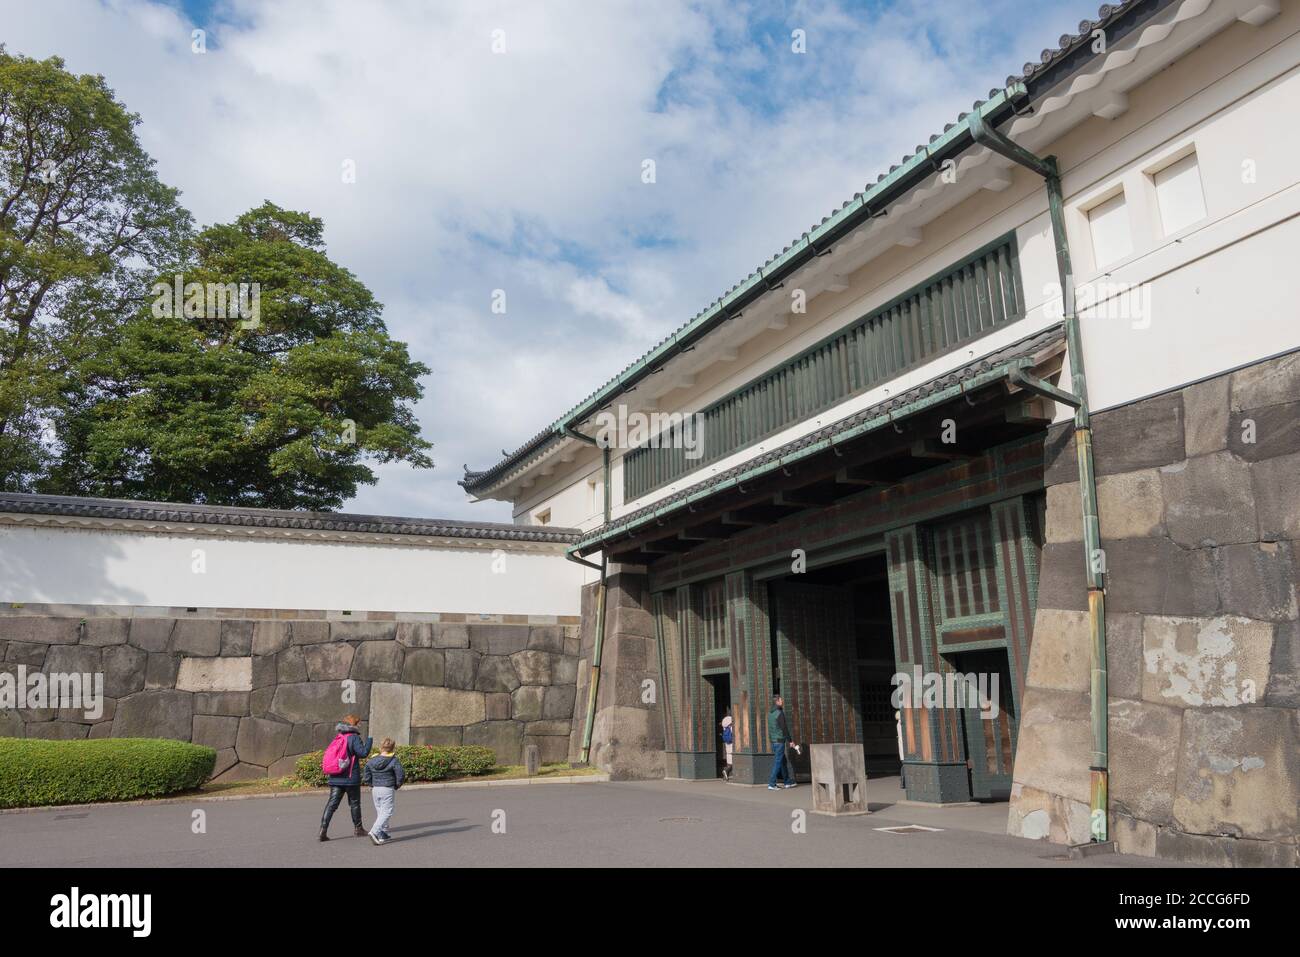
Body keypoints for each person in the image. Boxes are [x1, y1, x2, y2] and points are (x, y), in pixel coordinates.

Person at [318, 714, 373, 841]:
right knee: (354, 803)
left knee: (332, 804)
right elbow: (363, 753)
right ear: (354, 724)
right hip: (350, 778)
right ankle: (358, 829)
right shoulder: (354, 737)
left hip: (335, 776)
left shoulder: (338, 737)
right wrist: (369, 740)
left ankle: (323, 829)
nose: (360, 725)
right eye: (358, 723)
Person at [362, 737, 405, 846]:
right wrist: (397, 785)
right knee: (387, 812)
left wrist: (371, 784)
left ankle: (383, 833)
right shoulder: (394, 760)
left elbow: (366, 774)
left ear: (381, 747)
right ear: (393, 747)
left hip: (375, 788)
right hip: (387, 787)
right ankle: (374, 832)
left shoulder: (372, 760)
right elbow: (400, 775)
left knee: (380, 811)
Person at [766, 695, 798, 790]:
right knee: (778, 762)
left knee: (782, 761)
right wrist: (791, 741)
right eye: (781, 700)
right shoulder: (779, 713)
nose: (782, 701)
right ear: (777, 702)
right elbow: (784, 728)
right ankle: (771, 784)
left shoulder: (770, 713)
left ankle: (787, 782)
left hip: (774, 741)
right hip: (780, 741)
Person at [720, 713, 735, 781]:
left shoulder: (725, 729)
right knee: (732, 763)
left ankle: (725, 776)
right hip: (732, 747)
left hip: (727, 747)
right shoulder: (731, 728)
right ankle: (725, 771)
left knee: (730, 762)